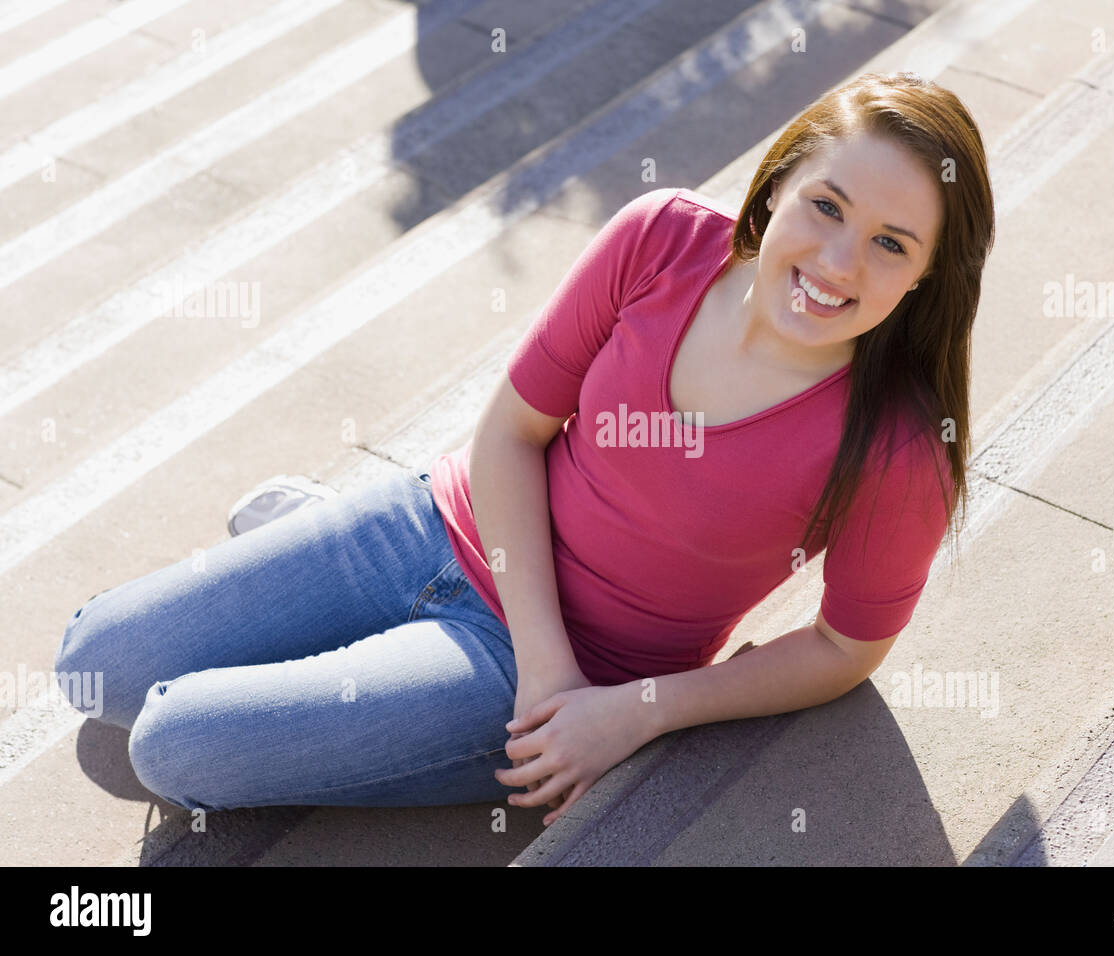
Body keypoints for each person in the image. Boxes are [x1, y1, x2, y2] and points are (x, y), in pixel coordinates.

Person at [55, 71, 994, 828]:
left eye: (890, 245)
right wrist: (550, 668)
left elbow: (846, 645)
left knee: (174, 745)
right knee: (90, 661)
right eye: (825, 207)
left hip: (536, 668)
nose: (838, 263)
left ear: (923, 279)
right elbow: (510, 429)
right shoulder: (662, 238)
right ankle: (337, 583)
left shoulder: (898, 448)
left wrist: (630, 714)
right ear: (780, 181)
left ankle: (483, 744)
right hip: (437, 523)